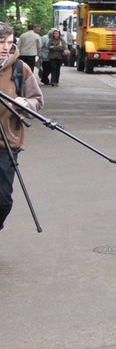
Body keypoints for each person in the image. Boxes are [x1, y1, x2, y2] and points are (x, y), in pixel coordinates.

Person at [0, 21, 46, 231]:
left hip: (6, 145)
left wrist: (25, 103)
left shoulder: (20, 68)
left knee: (3, 201)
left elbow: (37, 100)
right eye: (0, 42)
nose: (5, 48)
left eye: (8, 43)